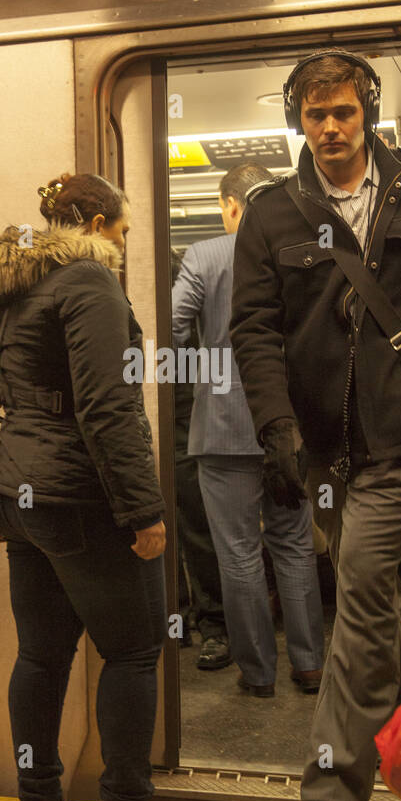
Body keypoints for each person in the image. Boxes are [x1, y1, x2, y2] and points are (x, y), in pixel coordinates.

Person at [230, 50, 401, 801]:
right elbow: (253, 332)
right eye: (314, 115)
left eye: (344, 113)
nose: (329, 128)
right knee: (388, 603)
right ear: (297, 120)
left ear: (367, 113)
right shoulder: (270, 212)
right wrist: (278, 432)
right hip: (321, 450)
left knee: (360, 597)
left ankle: (334, 790)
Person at [0, 172, 202, 801]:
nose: (123, 242)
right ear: (96, 224)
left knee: (42, 655)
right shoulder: (88, 283)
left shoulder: (10, 282)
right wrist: (143, 511)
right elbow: (109, 408)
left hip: (20, 494)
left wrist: (26, 400)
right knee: (135, 650)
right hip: (80, 497)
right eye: (122, 229)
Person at [172, 163, 325, 694]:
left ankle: (258, 673)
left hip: (221, 426)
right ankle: (309, 664)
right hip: (288, 421)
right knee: (294, 543)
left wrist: (208, 369)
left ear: (229, 206)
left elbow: (172, 327)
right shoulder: (300, 250)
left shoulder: (205, 255)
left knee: (237, 551)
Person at [169, 246, 231, 667]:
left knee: (196, 527)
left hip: (187, 414)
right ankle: (178, 623)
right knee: (164, 526)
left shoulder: (182, 289)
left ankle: (214, 626)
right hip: (159, 416)